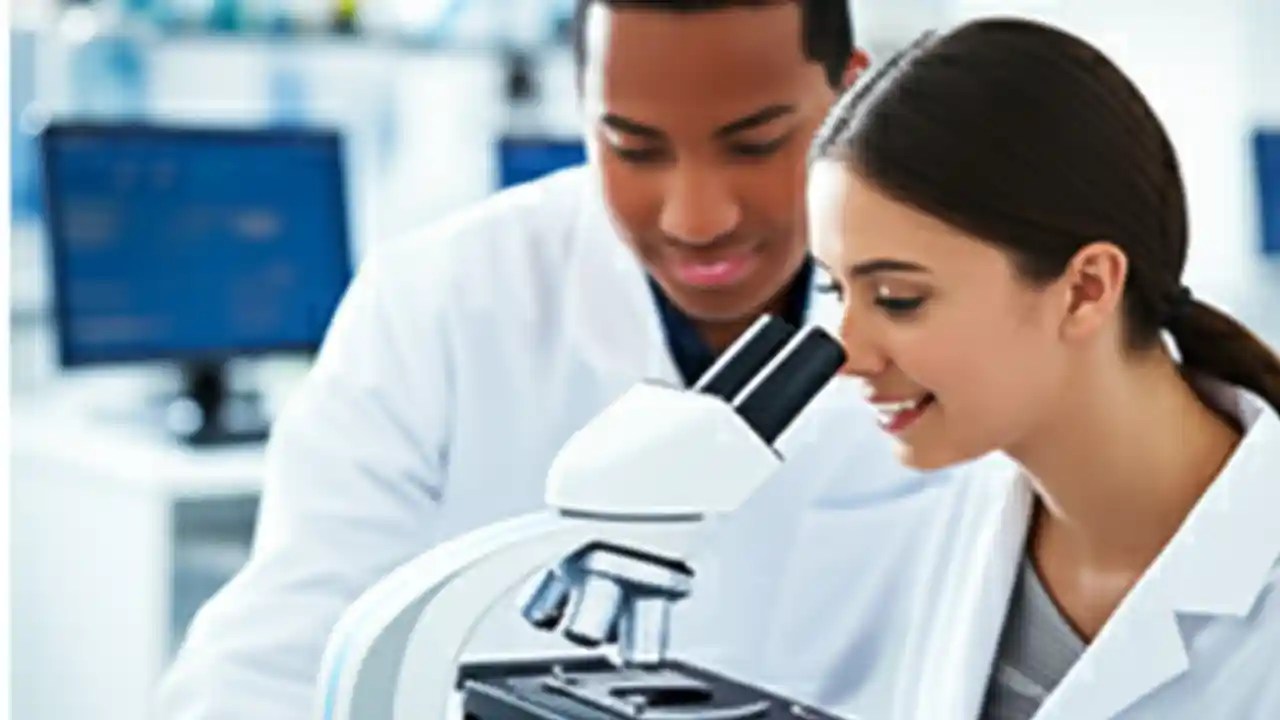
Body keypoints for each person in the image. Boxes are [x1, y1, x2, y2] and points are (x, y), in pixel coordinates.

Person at [157, 2, 960, 718]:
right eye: (634, 149)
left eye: (756, 145)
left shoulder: (968, 316)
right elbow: (273, 658)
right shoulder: (440, 298)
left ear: (853, 97)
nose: (698, 217)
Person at [802, 17, 1280, 719]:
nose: (845, 355)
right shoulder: (923, 525)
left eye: (899, 298)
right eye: (834, 291)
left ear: (1086, 289)